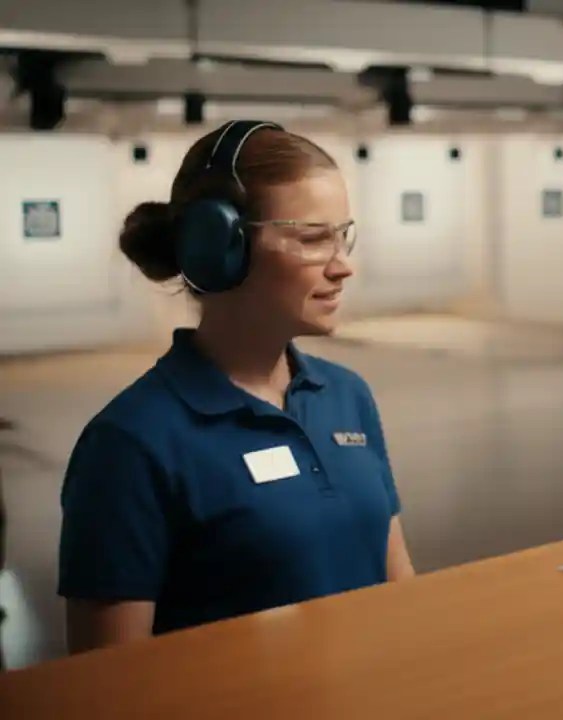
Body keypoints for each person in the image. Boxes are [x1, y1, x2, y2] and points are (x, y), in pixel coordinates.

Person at [58, 120, 414, 653]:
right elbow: (104, 686)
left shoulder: (347, 396)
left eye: (344, 236)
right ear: (218, 246)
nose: (343, 266)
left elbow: (399, 589)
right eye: (314, 238)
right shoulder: (130, 443)